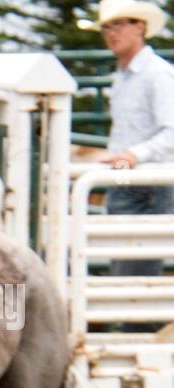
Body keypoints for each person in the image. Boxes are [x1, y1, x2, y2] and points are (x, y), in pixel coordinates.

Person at [86, 0, 174, 329]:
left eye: (119, 24)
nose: (111, 33)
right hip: (127, 181)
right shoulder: (125, 76)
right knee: (126, 272)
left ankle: (136, 340)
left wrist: (134, 155)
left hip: (149, 184)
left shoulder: (158, 75)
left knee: (135, 276)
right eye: (107, 27)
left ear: (140, 27)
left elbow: (172, 131)